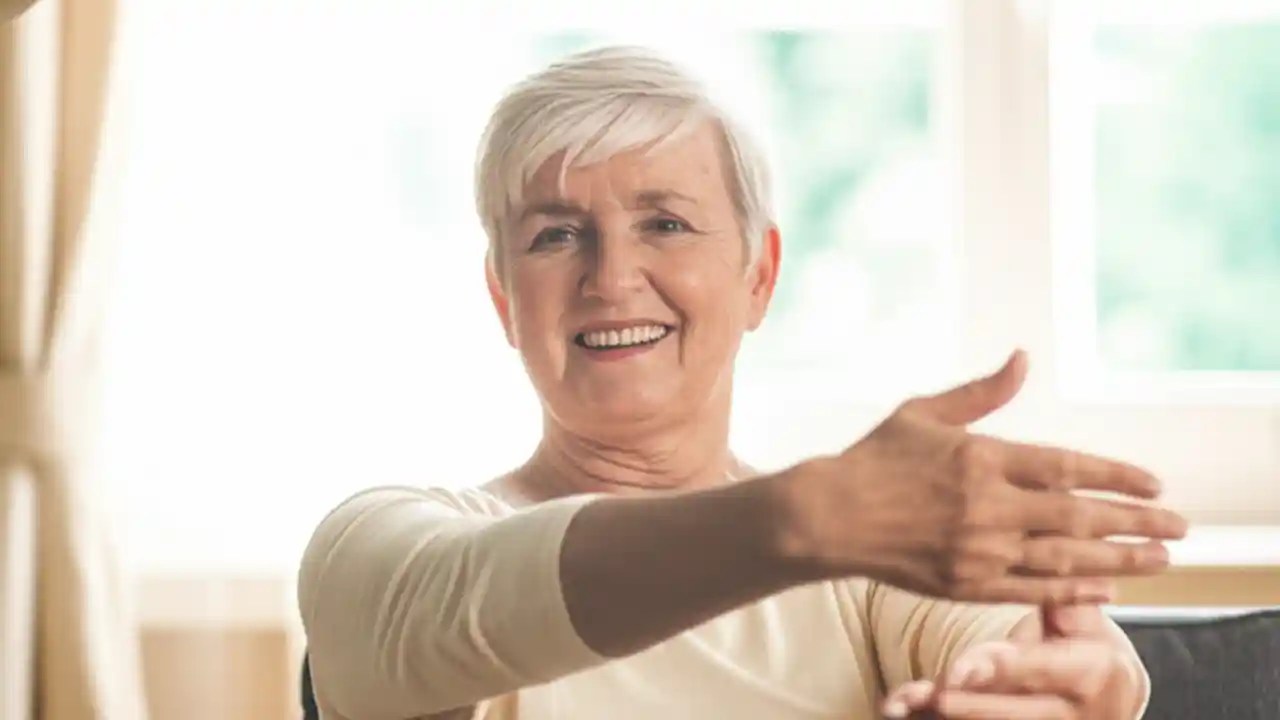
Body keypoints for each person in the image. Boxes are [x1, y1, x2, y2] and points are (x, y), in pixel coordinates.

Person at [298, 46, 1188, 720]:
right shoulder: (376, 550)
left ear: (758, 274)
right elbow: (474, 602)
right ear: (503, 297)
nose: (611, 278)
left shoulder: (867, 569)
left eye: (666, 223)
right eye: (556, 235)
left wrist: (1079, 680)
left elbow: (1025, 654)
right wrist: (811, 517)